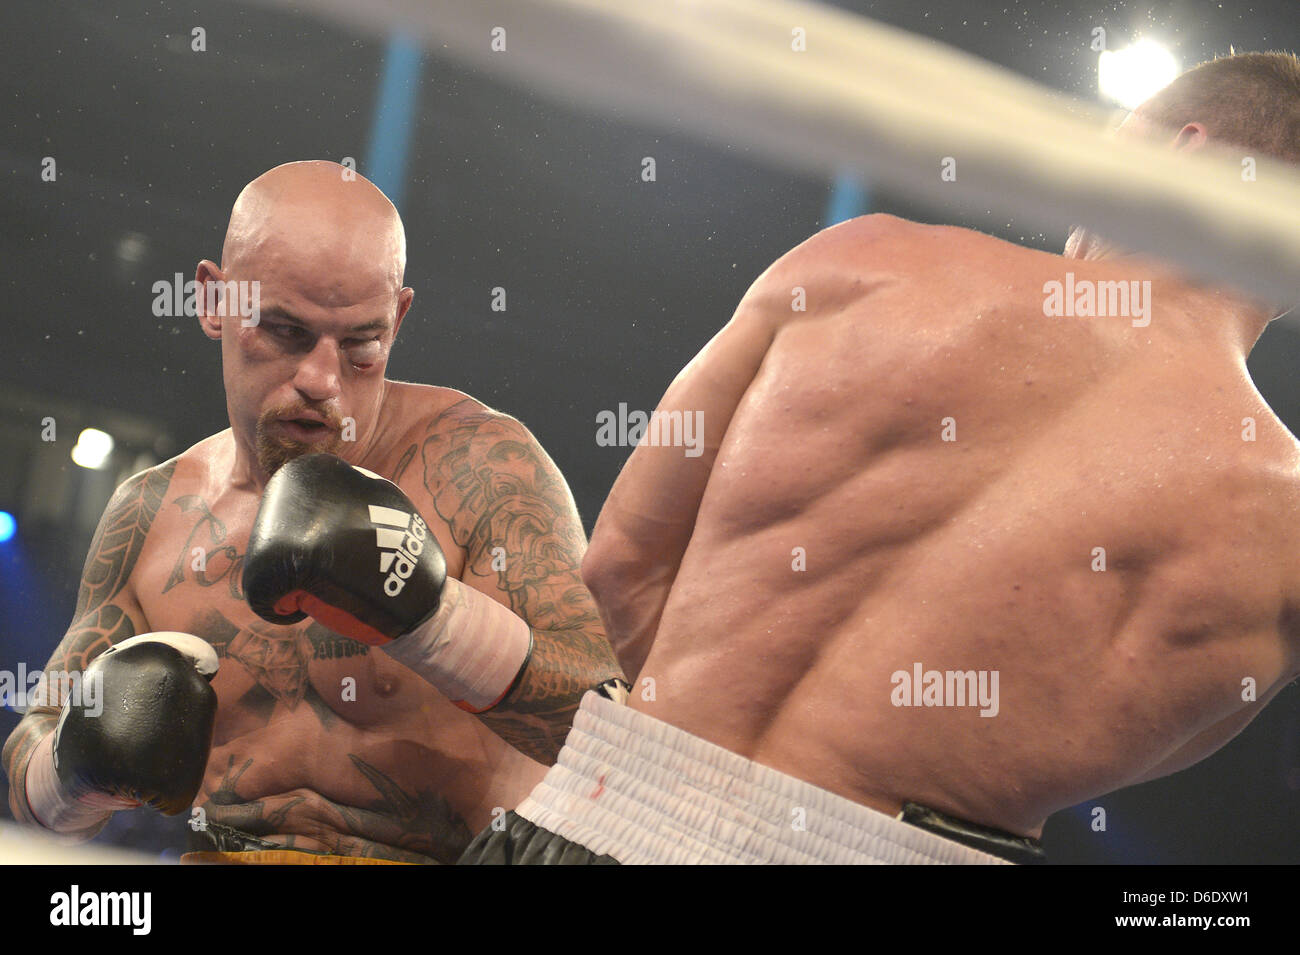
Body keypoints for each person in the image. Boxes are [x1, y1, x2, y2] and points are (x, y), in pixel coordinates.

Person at [459, 52, 1300, 864]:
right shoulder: (1283, 520)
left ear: (1185, 151)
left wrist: (699, 760)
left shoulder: (863, 264)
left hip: (604, 815)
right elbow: (1137, 745)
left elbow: (617, 566)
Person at [2, 160, 623, 864]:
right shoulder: (151, 515)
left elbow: (613, 737)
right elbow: (32, 754)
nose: (323, 381)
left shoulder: (476, 467)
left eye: (362, 344)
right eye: (285, 331)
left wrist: (436, 618)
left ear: (400, 318)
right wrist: (77, 767)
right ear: (213, 300)